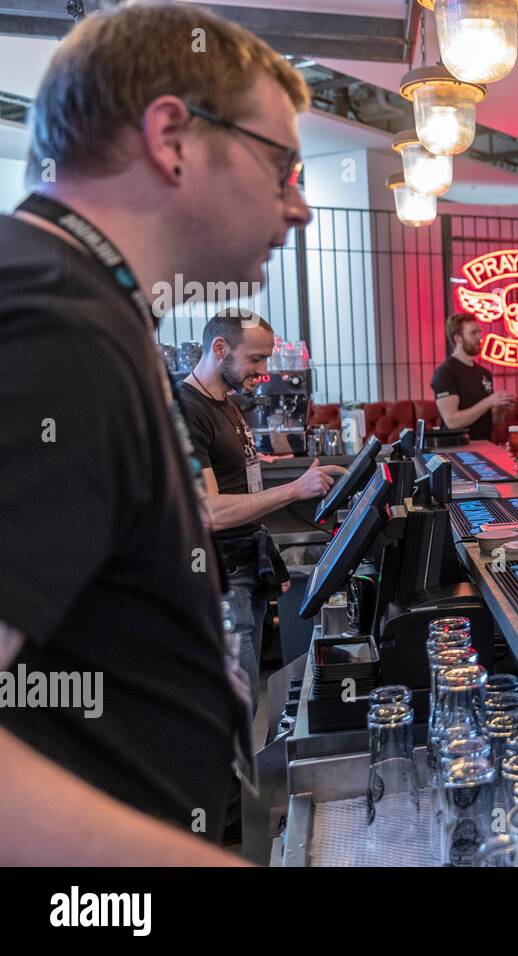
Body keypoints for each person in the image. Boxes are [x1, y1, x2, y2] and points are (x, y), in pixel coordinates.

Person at [0, 3, 313, 863]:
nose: (302, 210)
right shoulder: (51, 319)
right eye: (283, 166)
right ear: (172, 135)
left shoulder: (82, 303)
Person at [179, 310, 345, 701]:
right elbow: (211, 511)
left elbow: (245, 488)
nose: (263, 370)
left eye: (266, 359)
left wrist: (268, 556)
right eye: (255, 359)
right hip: (218, 576)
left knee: (248, 693)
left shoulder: (227, 403)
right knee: (234, 702)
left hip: (245, 566)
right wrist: (294, 490)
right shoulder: (187, 412)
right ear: (219, 349)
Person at [432, 312, 513, 440]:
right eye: (473, 333)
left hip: (485, 444)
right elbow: (452, 422)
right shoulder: (446, 372)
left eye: (479, 332)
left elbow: (494, 423)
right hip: (457, 447)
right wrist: (489, 401)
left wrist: (500, 408)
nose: (479, 337)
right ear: (458, 338)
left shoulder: (484, 374)